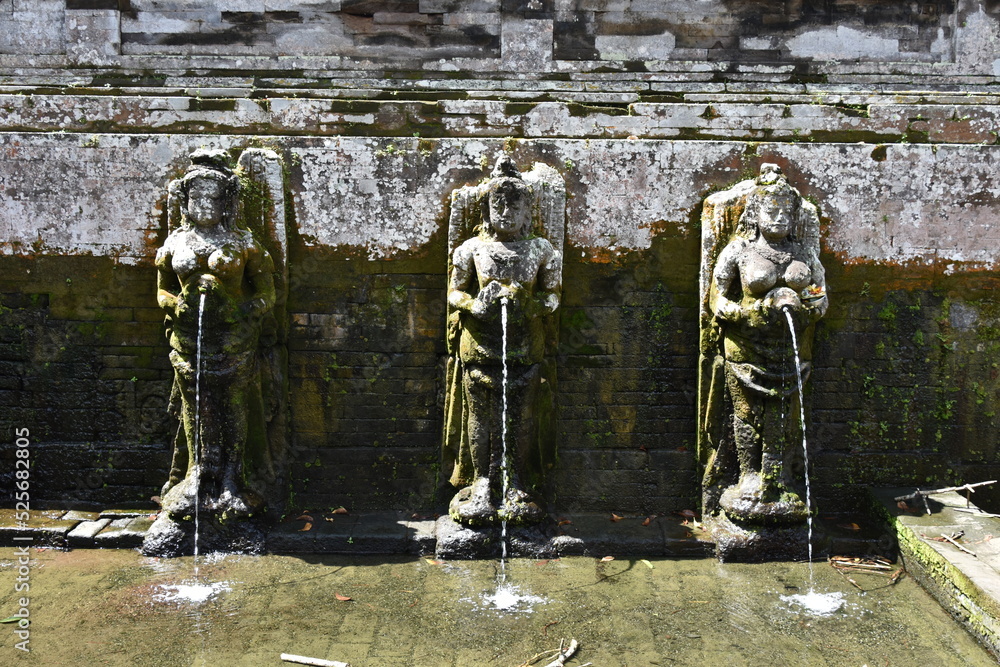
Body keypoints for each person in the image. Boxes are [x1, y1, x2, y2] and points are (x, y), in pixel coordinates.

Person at [155, 149, 276, 519]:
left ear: (227, 203)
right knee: (197, 406)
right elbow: (161, 290)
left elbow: (267, 293)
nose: (205, 204)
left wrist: (247, 310)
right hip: (189, 340)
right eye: (197, 197)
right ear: (186, 202)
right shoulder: (175, 243)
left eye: (213, 197)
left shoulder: (244, 243)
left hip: (233, 339)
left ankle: (231, 477)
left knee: (234, 406)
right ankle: (197, 472)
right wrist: (173, 306)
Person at [707, 166, 827, 521]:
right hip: (746, 347)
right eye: (769, 211)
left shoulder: (803, 253)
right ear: (755, 215)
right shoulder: (739, 251)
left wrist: (813, 306)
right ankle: (748, 476)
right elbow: (717, 297)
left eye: (784, 212)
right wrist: (739, 312)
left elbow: (819, 296)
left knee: (785, 416)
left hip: (790, 349)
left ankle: (778, 478)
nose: (777, 218)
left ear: (793, 216)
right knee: (746, 413)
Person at [447, 158, 561, 525]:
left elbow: (553, 297)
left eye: (515, 206)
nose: (506, 212)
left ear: (528, 211)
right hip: (480, 346)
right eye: (498, 205)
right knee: (479, 415)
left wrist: (529, 303)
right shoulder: (471, 250)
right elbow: (454, 293)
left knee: (523, 415)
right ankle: (482, 480)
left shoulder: (541, 250)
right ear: (486, 209)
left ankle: (516, 482)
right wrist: (475, 304)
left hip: (525, 346)